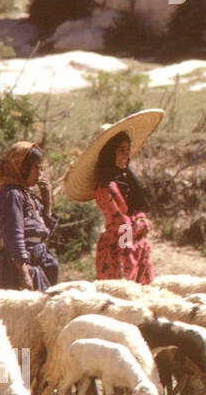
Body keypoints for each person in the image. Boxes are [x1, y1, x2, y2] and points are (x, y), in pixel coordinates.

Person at [63, 110, 165, 285]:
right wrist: (129, 253)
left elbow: (139, 211)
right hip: (119, 253)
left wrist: (139, 230)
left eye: (128, 150)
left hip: (136, 247)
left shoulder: (127, 181)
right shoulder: (105, 187)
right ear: (110, 153)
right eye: (121, 151)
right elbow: (121, 224)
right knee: (122, 299)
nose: (126, 156)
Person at [0, 141, 59, 290]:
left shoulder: (29, 196)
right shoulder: (11, 195)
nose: (40, 174)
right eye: (36, 168)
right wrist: (24, 273)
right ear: (21, 167)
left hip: (37, 260)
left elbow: (44, 233)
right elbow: (14, 234)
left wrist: (48, 202)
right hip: (20, 266)